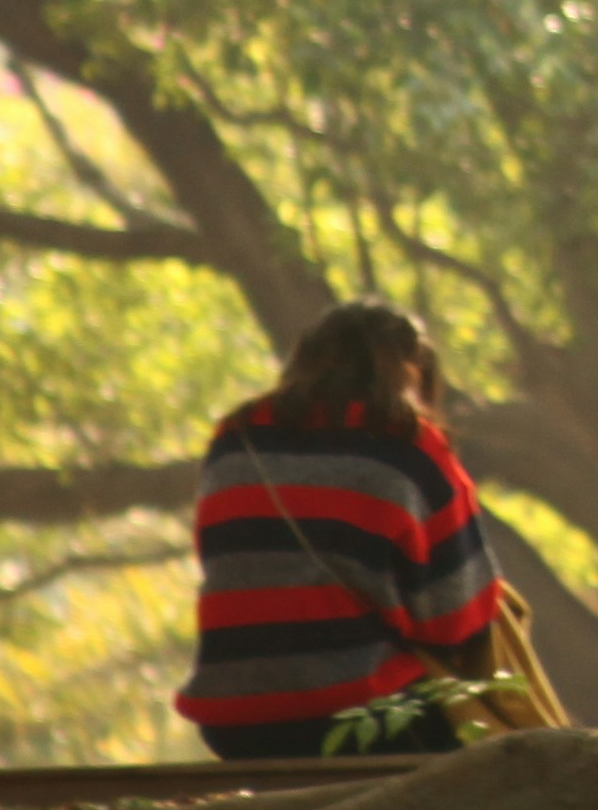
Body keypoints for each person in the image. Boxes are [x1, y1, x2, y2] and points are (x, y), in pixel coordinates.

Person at [174, 298, 507, 759]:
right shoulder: (409, 448)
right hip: (357, 716)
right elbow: (456, 620)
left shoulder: (237, 439)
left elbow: (223, 559)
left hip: (232, 720)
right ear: (408, 373)